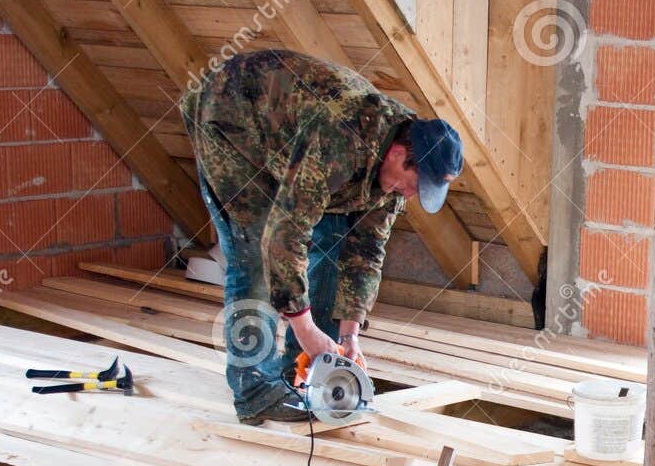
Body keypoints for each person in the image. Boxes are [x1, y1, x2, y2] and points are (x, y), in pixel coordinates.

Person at [179, 49, 463, 423]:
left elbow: (365, 252)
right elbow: (285, 234)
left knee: (334, 239)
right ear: (396, 155)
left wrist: (349, 336)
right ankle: (256, 392)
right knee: (255, 254)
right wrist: (304, 325)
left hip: (292, 145)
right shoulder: (340, 138)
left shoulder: (395, 174)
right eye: (415, 185)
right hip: (230, 120)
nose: (411, 195)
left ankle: (305, 372)